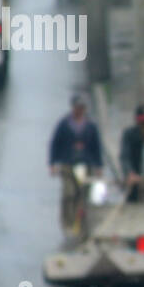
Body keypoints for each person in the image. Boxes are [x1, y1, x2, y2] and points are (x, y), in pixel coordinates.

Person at [48, 94, 104, 238]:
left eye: (82, 108)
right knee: (69, 193)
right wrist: (53, 163)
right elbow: (55, 143)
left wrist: (98, 165)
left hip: (86, 164)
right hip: (68, 164)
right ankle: (67, 222)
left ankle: (82, 224)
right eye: (78, 107)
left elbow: (96, 146)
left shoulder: (90, 126)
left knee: (83, 195)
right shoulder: (64, 124)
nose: (80, 110)